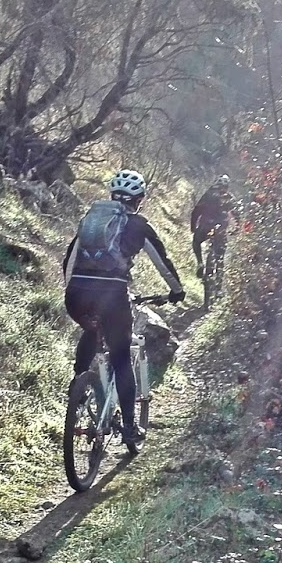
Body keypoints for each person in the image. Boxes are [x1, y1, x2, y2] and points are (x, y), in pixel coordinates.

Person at [62, 169, 186, 448]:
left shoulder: (92, 221)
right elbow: (162, 262)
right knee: (120, 358)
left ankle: (78, 383)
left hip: (76, 296)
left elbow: (69, 261)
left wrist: (73, 291)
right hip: (112, 297)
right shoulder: (138, 225)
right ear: (139, 199)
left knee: (92, 328)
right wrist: (177, 291)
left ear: (112, 196)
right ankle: (129, 427)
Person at [189, 175, 235, 279]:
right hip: (220, 230)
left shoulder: (208, 194)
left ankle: (200, 263)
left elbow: (196, 210)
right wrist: (236, 229)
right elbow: (236, 215)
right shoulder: (230, 198)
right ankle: (219, 281)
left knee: (196, 241)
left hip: (205, 226)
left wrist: (193, 227)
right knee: (220, 256)